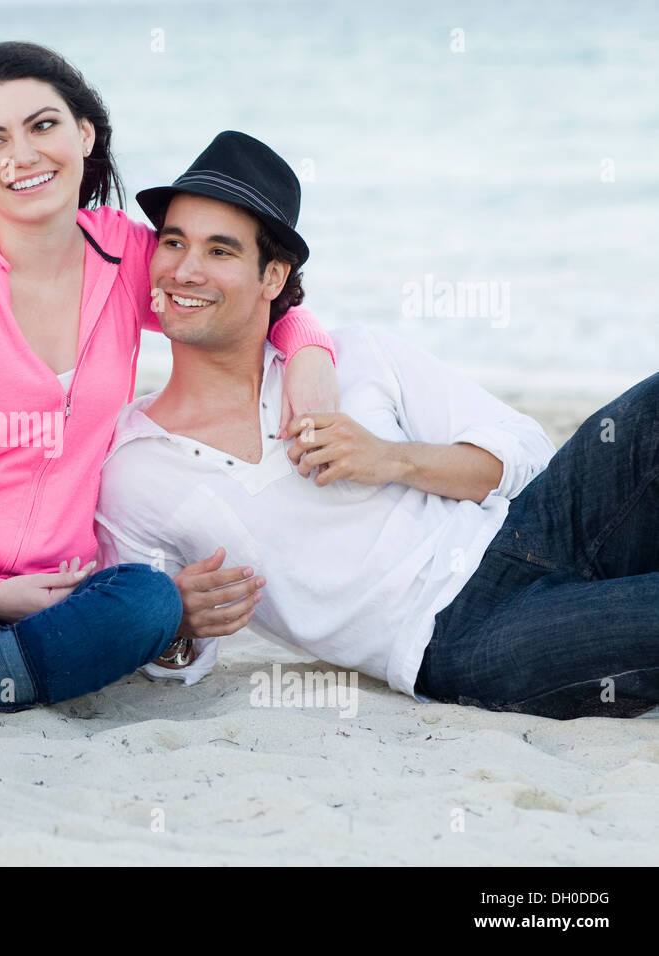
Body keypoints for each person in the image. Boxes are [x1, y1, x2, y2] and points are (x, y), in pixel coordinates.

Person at [0, 41, 339, 712]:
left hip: (63, 588)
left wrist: (308, 355)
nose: (21, 155)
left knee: (150, 603)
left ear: (84, 134)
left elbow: (241, 303)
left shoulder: (128, 259)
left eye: (42, 125)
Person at [96, 130, 659, 718]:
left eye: (220, 251)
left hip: (532, 527)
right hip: (456, 638)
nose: (185, 270)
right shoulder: (134, 468)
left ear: (272, 277)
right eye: (173, 242)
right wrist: (176, 619)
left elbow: (528, 454)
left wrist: (392, 458)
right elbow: (173, 665)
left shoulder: (357, 354)